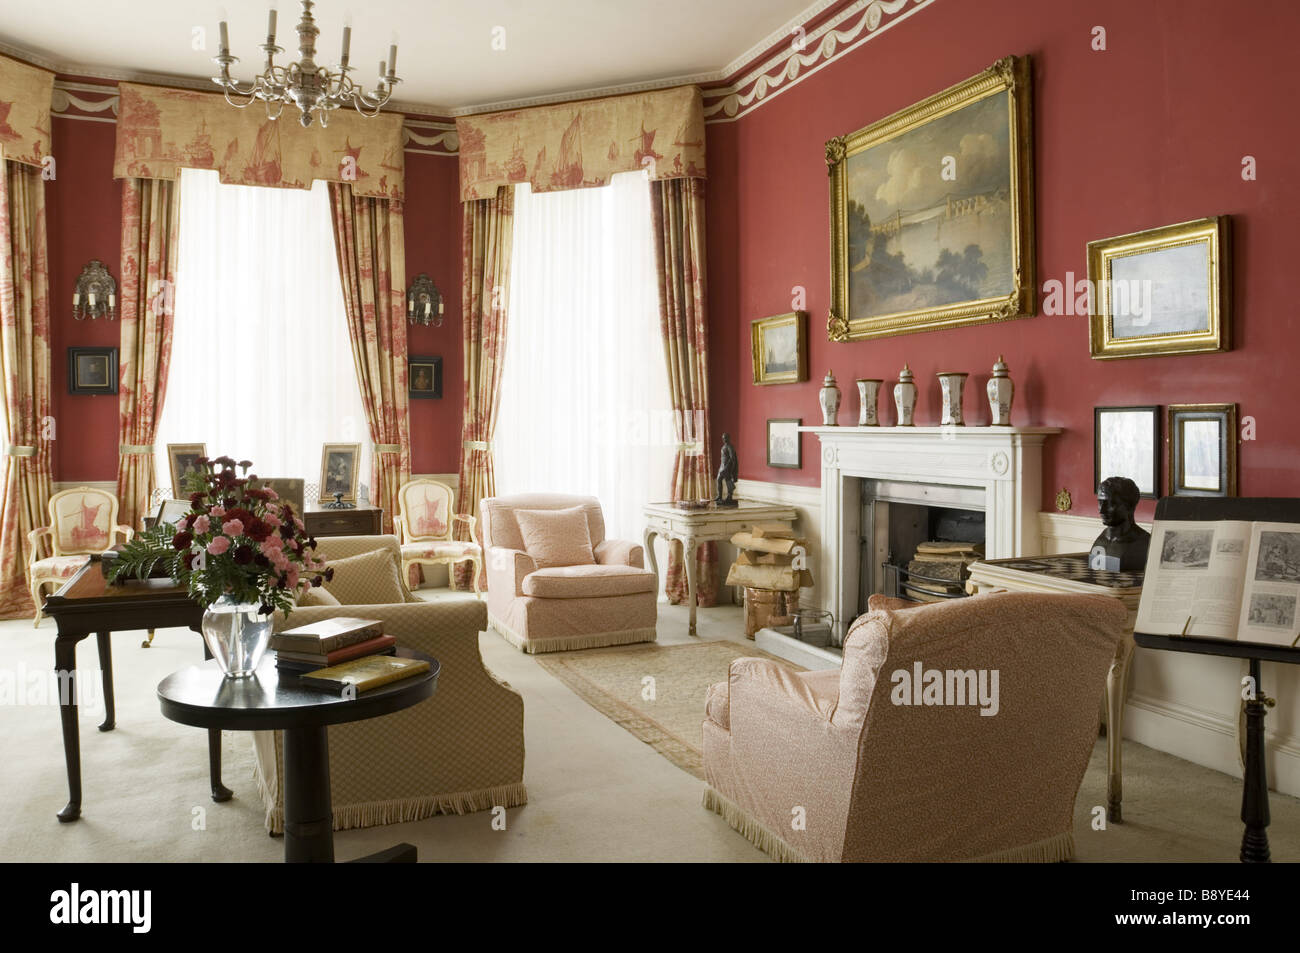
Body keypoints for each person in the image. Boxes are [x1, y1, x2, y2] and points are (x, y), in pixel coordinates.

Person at [1089, 475, 1151, 572]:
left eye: (1110, 504)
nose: (1102, 510)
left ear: (1129, 507)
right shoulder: (1101, 540)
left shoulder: (1145, 542)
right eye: (1100, 502)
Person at [714, 433, 738, 506]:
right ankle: (719, 496)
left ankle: (729, 497)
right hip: (722, 466)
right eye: (723, 438)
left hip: (726, 467)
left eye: (725, 438)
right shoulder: (724, 446)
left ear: (728, 438)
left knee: (728, 482)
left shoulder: (730, 447)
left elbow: (732, 458)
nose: (724, 439)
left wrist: (727, 467)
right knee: (719, 480)